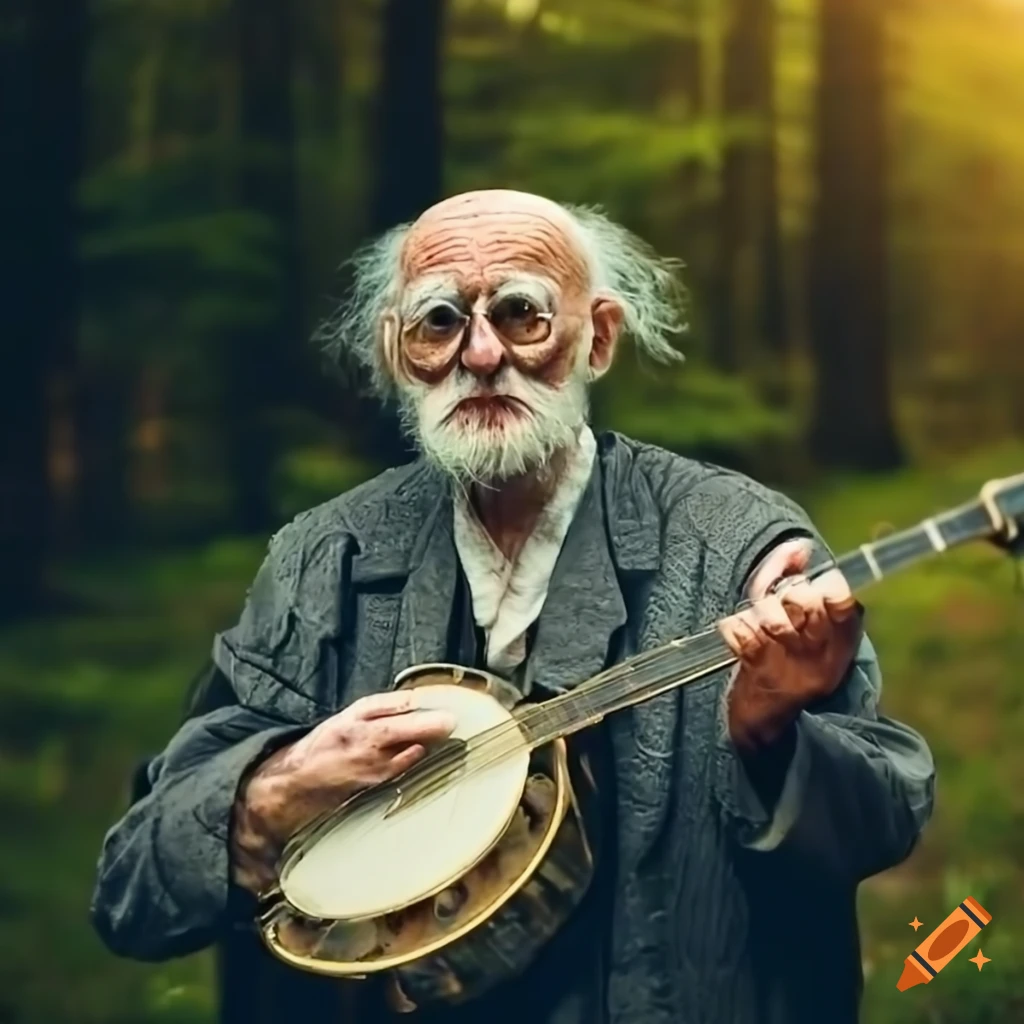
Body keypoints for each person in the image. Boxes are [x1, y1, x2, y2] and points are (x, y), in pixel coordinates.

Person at [91, 190, 935, 1024]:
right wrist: (270, 797)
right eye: (439, 322)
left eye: (523, 313)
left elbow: (882, 824)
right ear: (395, 353)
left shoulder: (740, 545)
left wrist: (769, 737)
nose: (482, 353)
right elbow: (133, 889)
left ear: (597, 338)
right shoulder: (324, 560)